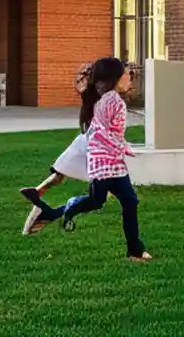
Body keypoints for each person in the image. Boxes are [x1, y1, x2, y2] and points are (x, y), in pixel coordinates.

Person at [23, 57, 152, 261]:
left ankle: (135, 250)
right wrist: (123, 147)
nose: (131, 78)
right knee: (100, 200)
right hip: (103, 164)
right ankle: (65, 210)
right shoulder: (112, 101)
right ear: (114, 78)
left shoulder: (109, 100)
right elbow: (99, 134)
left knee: (124, 201)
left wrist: (122, 146)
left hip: (113, 163)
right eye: (127, 74)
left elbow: (106, 132)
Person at [19, 63, 94, 236]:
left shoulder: (91, 98)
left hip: (86, 141)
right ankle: (46, 206)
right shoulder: (99, 97)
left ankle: (42, 201)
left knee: (62, 171)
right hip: (94, 145)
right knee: (99, 196)